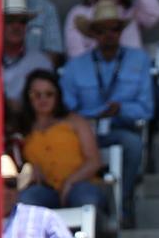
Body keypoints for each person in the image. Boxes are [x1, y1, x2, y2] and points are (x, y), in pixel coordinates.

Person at [58, 0, 155, 228]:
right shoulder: (75, 66)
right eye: (102, 30)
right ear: (92, 33)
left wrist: (121, 109)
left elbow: (147, 108)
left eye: (115, 28)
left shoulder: (138, 59)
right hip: (82, 133)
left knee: (132, 144)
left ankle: (124, 201)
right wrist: (94, 113)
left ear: (121, 31)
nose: (109, 35)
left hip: (119, 128)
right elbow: (65, 107)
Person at [16, 68, 107, 212]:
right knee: (26, 200)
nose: (43, 99)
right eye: (36, 94)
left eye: (49, 94)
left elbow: (94, 161)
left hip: (80, 184)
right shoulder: (23, 130)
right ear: (28, 98)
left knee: (85, 200)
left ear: (58, 96)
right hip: (45, 190)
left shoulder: (75, 121)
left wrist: (70, 182)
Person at [65, 0, 159, 58]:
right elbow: (76, 55)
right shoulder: (79, 13)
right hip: (92, 78)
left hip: (130, 76)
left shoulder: (131, 11)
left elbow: (155, 13)